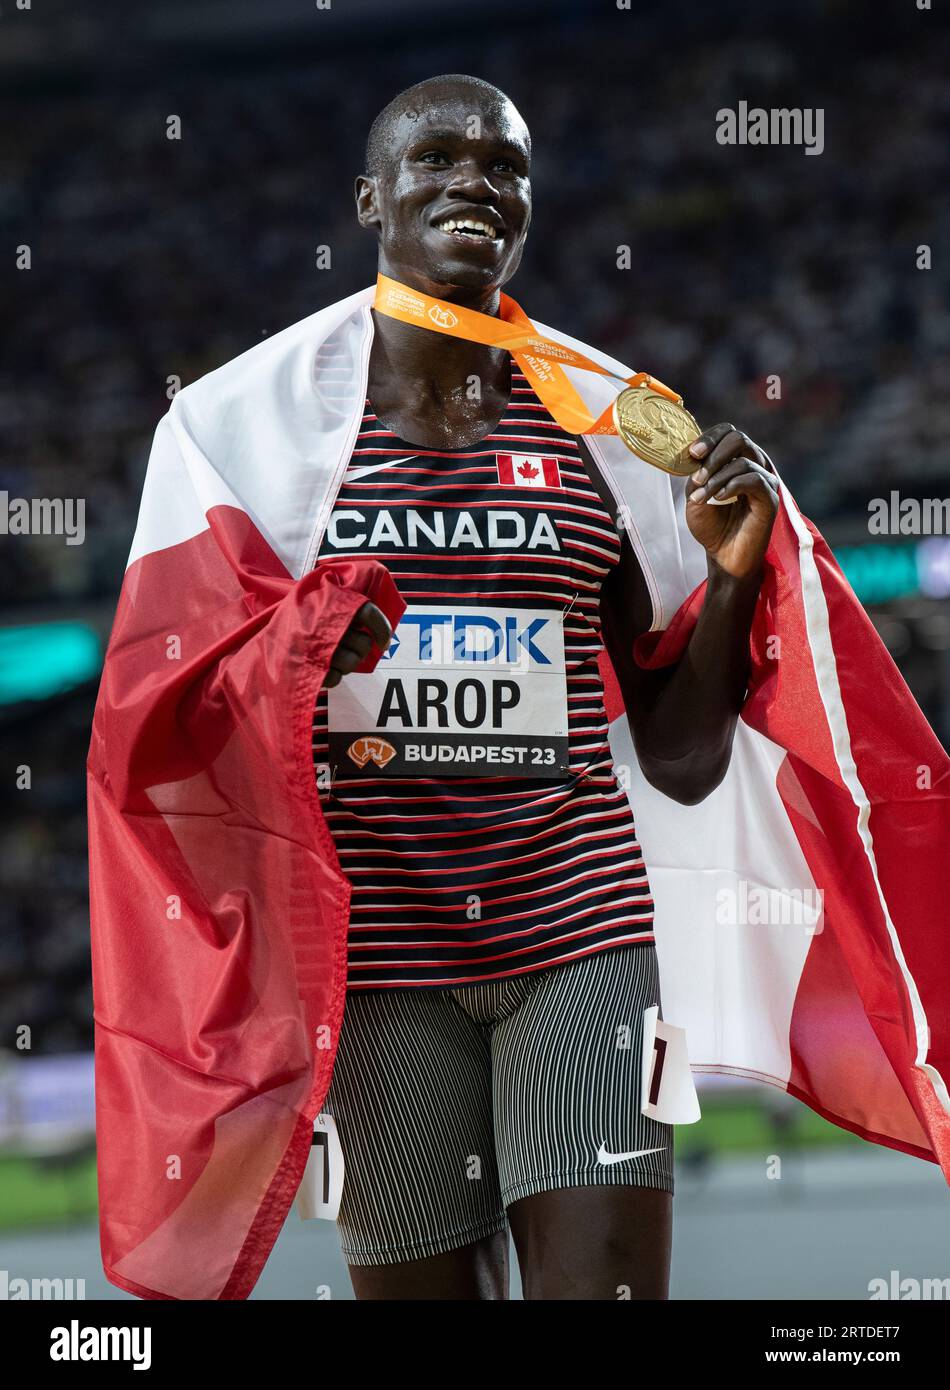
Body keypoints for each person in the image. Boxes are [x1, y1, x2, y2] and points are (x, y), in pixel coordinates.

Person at [315, 72, 778, 1300]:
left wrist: (728, 584)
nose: (476, 181)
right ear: (370, 199)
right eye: (436, 159)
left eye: (506, 167)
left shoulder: (605, 431)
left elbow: (680, 760)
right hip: (375, 959)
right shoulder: (276, 444)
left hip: (579, 933)